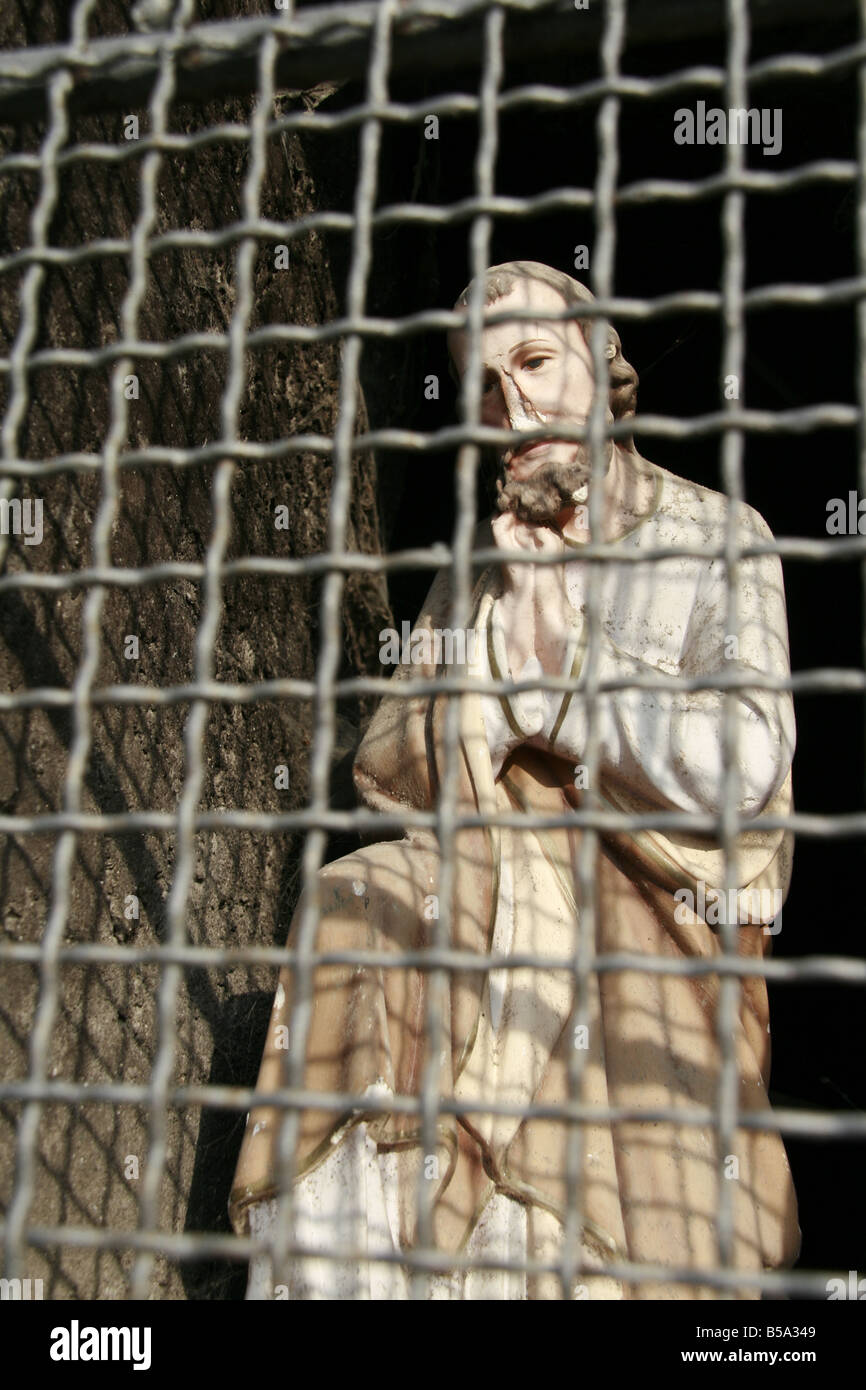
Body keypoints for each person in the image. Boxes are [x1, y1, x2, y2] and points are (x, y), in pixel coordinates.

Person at [229, 261, 799, 1299]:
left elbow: (750, 762)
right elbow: (389, 769)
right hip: (489, 878)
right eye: (483, 385)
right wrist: (490, 693)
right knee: (355, 898)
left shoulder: (716, 536)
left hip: (664, 915)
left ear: (602, 364)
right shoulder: (475, 575)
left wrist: (565, 695)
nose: (512, 403)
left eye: (533, 361)